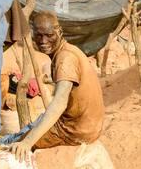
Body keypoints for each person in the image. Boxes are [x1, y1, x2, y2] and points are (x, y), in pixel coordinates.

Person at [11, 11, 104, 155]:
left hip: (75, 131)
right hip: (88, 125)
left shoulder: (65, 58)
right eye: (39, 35)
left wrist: (27, 142)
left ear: (59, 32)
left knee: (14, 144)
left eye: (49, 35)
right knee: (28, 130)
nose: (43, 41)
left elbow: (59, 103)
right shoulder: (68, 50)